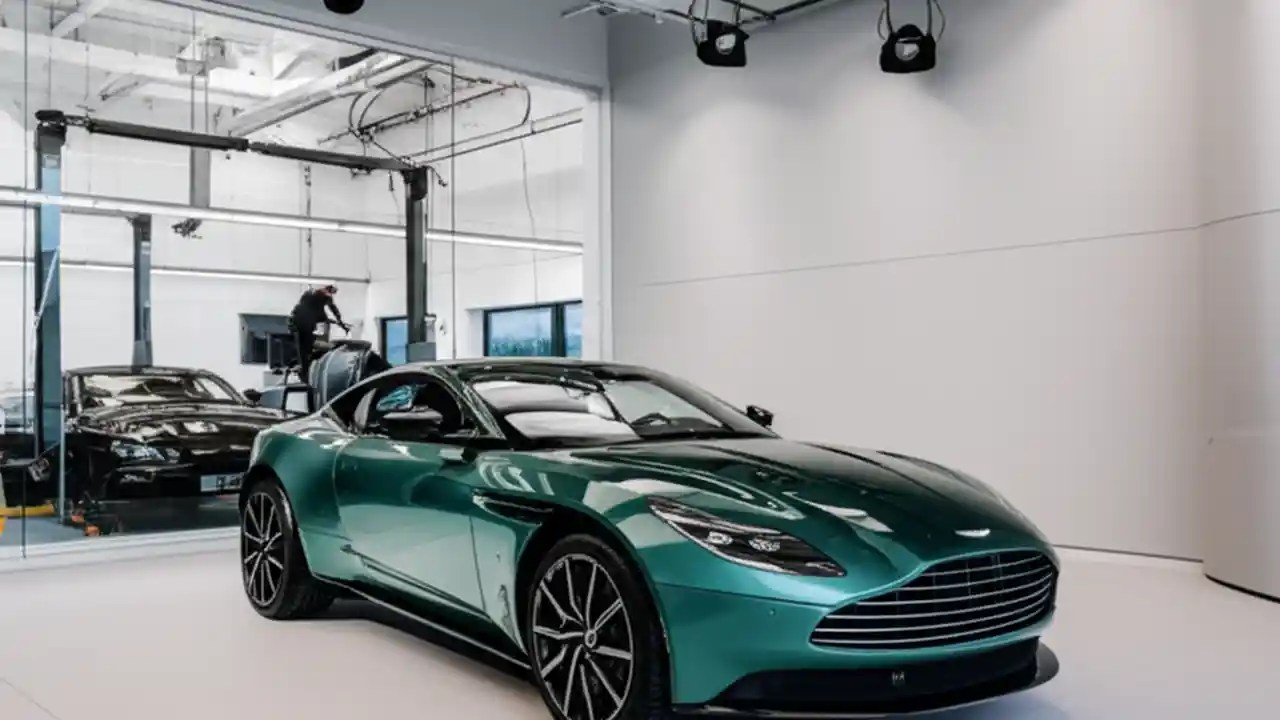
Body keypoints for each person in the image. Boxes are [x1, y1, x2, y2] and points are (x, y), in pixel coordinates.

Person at [289, 285, 349, 382]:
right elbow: (332, 310)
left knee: (305, 350)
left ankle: (305, 372)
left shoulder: (313, 296)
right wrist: (339, 322)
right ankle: (305, 373)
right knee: (304, 350)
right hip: (301, 324)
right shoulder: (317, 296)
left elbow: (332, 310)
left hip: (301, 323)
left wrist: (340, 323)